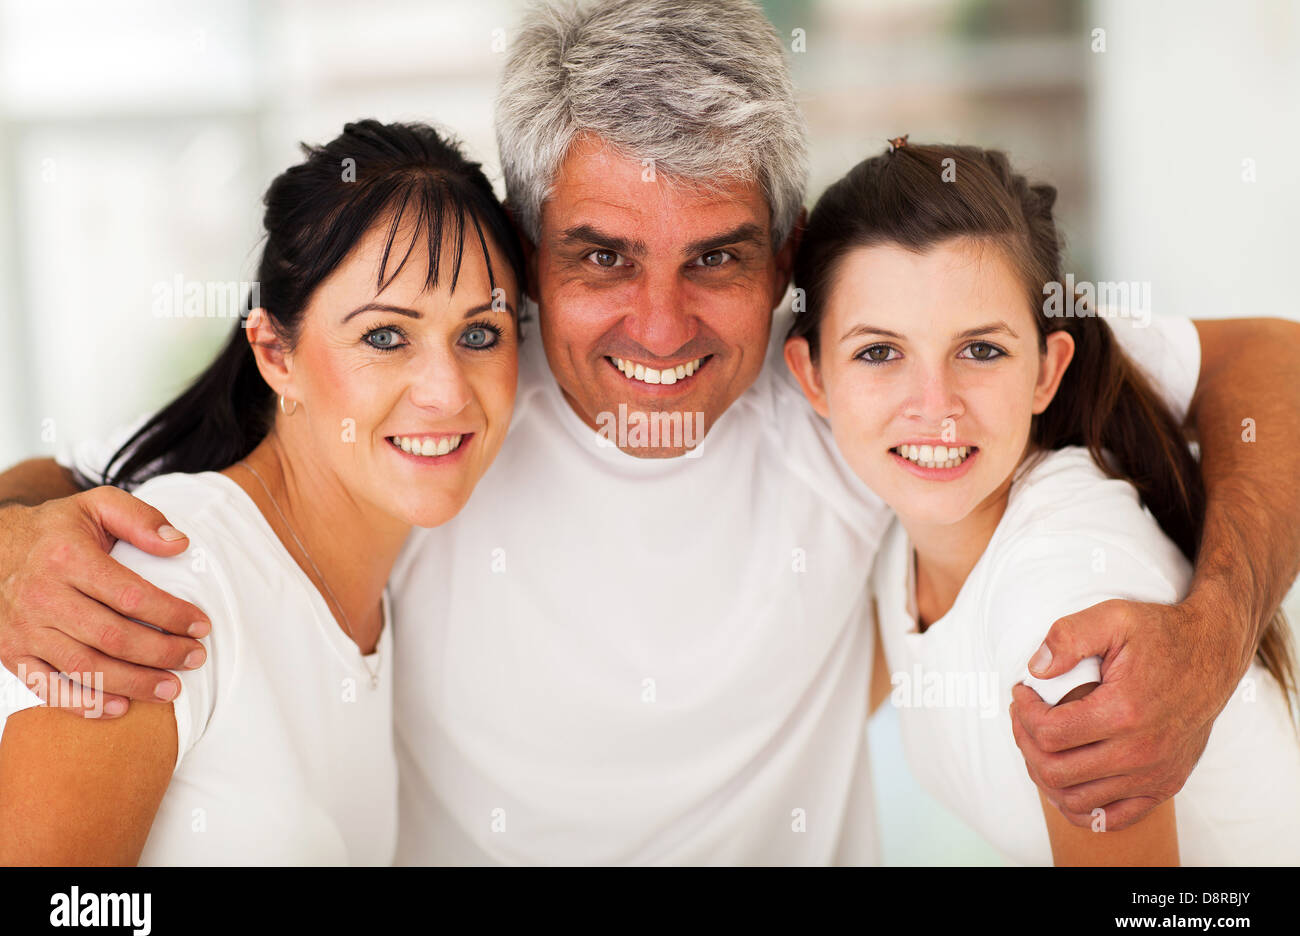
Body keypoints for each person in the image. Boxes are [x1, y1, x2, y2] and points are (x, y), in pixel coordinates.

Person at [1, 0, 1300, 864]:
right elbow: (165, 483)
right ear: (522, 250)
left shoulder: (863, 391)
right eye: (603, 256)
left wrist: (1218, 622)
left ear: (788, 261)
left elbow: (1269, 362)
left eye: (718, 258)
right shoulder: (437, 421)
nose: (663, 328)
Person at [0, 119, 525, 864]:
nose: (445, 393)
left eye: (479, 334)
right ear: (276, 355)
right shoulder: (161, 584)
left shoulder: (389, 588)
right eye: (385, 336)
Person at [783, 140, 1300, 865]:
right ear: (812, 379)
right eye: (878, 352)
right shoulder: (901, 544)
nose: (936, 409)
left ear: (1046, 372)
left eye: (982, 350)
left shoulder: (1060, 595)